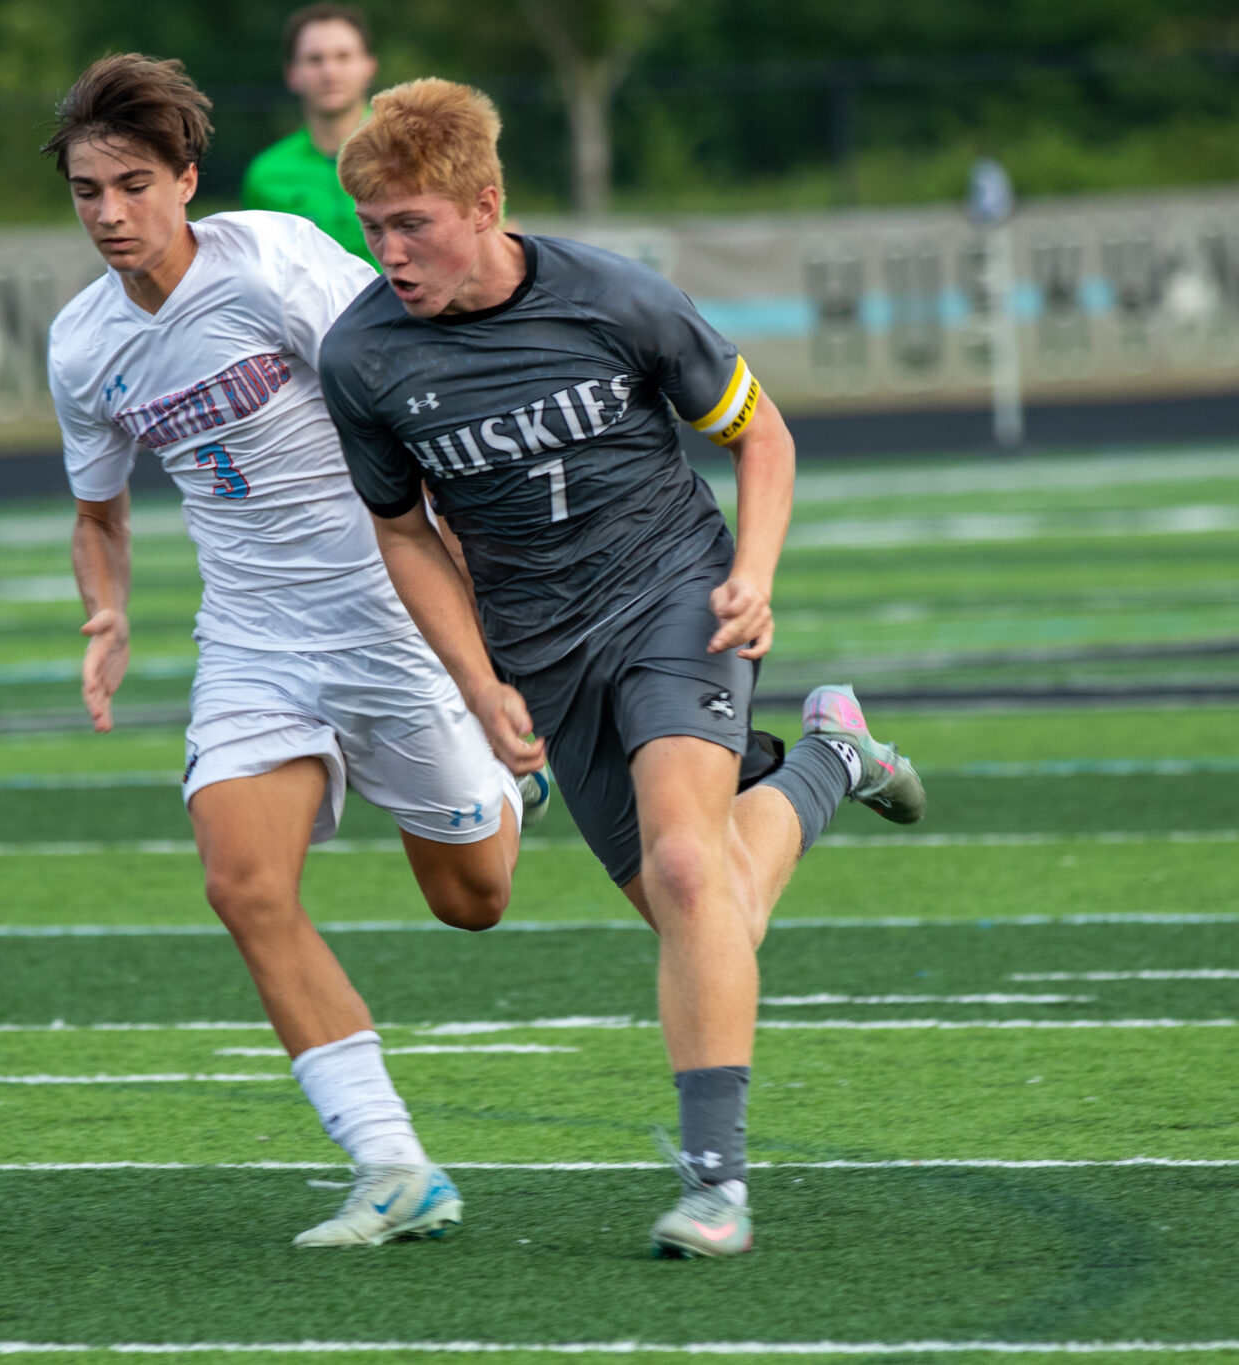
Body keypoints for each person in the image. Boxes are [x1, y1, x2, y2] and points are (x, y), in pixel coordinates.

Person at [316, 79, 927, 1259]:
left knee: (690, 870)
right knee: (708, 914)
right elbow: (403, 532)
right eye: (371, 227)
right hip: (538, 652)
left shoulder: (616, 298)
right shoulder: (360, 357)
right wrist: (476, 680)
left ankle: (714, 1186)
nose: (387, 253)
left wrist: (752, 573)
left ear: (484, 205)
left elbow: (759, 435)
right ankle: (830, 759)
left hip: (671, 597)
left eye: (411, 225)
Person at [42, 54, 552, 1248]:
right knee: (242, 885)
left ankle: (506, 785)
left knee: (471, 902)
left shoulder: (270, 261)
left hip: (388, 621)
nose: (108, 213)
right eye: (85, 191)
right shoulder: (78, 346)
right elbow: (98, 513)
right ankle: (391, 1165)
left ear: (185, 180)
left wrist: (484, 596)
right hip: (253, 640)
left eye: (130, 185)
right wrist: (107, 612)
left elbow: (406, 386)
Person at [241, 3, 378, 260]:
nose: (329, 71)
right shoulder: (266, 174)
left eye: (343, 56)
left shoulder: (411, 153)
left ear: (368, 66)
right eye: (315, 59)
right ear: (292, 74)